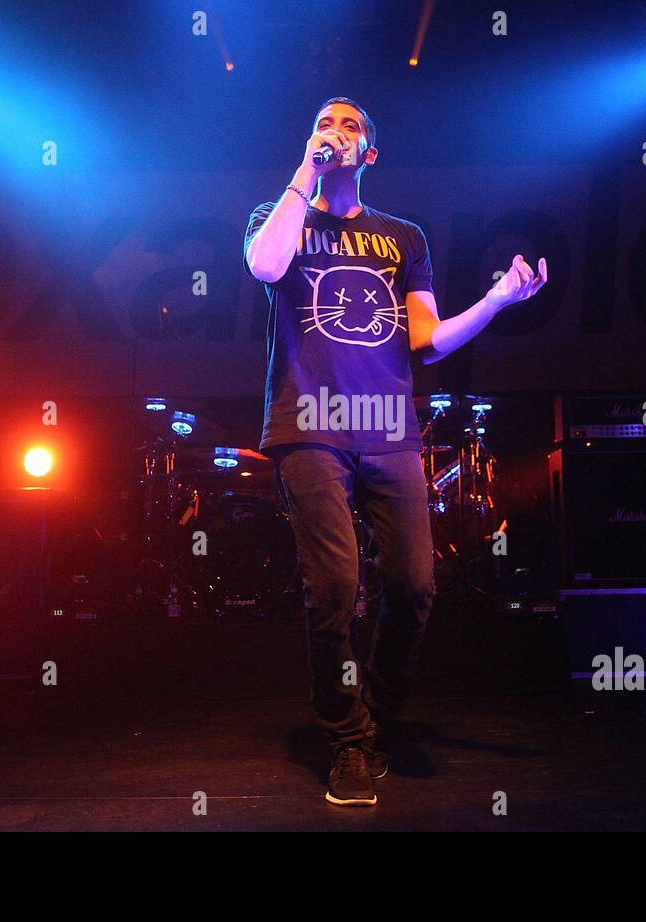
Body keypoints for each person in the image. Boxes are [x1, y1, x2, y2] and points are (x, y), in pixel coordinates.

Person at [243, 96, 547, 806]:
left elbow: (426, 338)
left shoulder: (402, 237)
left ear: (370, 154)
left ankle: (374, 716)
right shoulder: (278, 215)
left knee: (414, 586)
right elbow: (264, 266)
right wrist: (303, 173)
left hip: (388, 428)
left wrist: (497, 300)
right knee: (336, 590)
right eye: (325, 123)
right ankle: (347, 740)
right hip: (308, 425)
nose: (336, 133)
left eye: (351, 127)